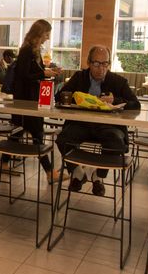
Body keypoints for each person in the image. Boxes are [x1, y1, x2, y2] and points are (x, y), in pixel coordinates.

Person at [56, 45, 140, 196]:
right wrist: (71, 97)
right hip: (81, 124)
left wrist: (116, 100)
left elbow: (135, 104)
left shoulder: (118, 81)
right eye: (96, 63)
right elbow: (60, 96)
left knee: (116, 143)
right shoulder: (79, 77)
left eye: (105, 64)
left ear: (109, 64)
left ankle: (98, 176)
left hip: (108, 126)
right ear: (88, 63)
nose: (101, 68)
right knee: (63, 139)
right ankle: (78, 172)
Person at [11, 20, 62, 180]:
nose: (47, 37)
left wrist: (47, 71)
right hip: (26, 99)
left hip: (30, 98)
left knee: (20, 131)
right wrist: (43, 74)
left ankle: (4, 163)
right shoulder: (27, 51)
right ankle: (49, 172)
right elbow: (23, 75)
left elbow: (31, 72)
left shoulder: (33, 50)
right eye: (46, 34)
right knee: (35, 133)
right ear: (39, 34)